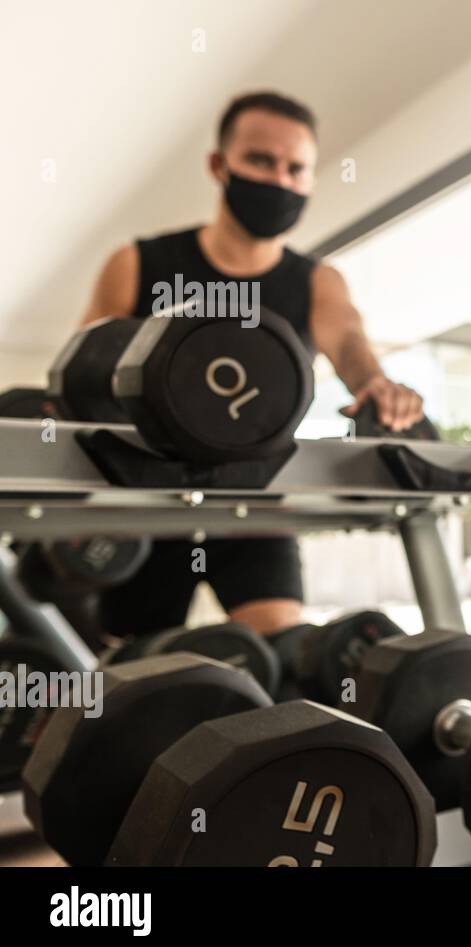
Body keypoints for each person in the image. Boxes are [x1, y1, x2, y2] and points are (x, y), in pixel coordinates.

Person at [77, 91, 424, 638]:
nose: (280, 181)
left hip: (253, 502)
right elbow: (80, 377)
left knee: (284, 659)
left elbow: (350, 338)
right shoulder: (140, 263)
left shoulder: (315, 282)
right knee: (127, 678)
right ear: (219, 165)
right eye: (261, 161)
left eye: (296, 169)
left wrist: (374, 384)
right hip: (142, 501)